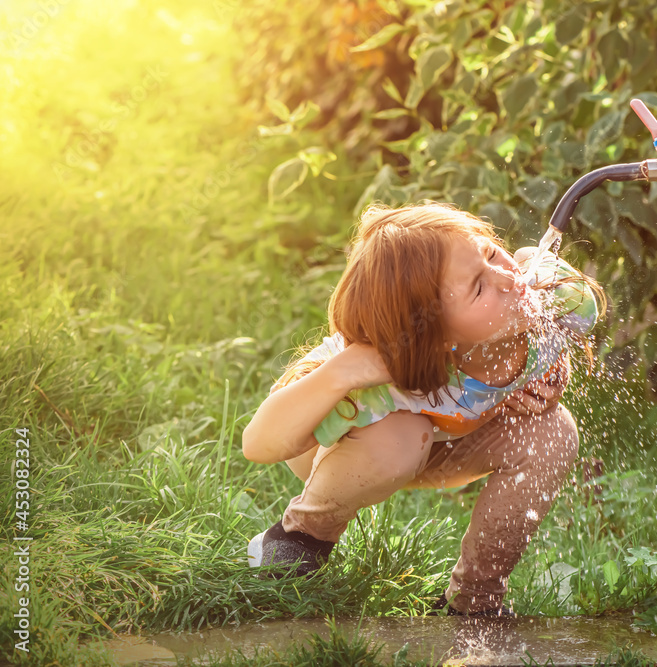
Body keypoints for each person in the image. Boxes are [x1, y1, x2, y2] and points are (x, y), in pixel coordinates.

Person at [241, 202, 605, 617]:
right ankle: (300, 537)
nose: (508, 279)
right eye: (478, 288)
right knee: (400, 439)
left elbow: (563, 291)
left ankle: (475, 598)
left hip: (445, 445)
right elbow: (258, 443)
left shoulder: (543, 302)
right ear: (433, 334)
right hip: (353, 452)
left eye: (491, 252)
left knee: (554, 432)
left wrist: (555, 365)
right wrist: (340, 373)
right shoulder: (386, 362)